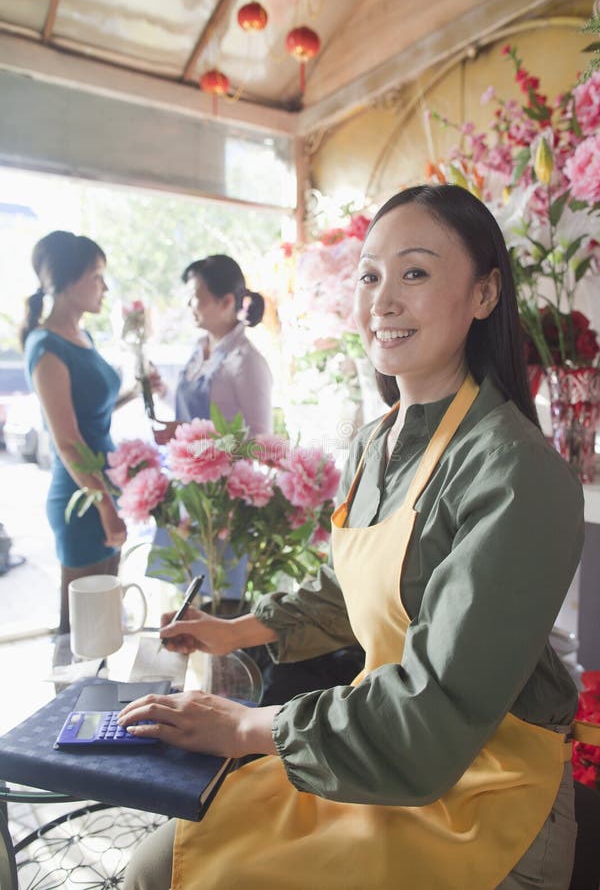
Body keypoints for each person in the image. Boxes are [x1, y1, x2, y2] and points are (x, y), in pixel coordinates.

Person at [121, 185, 587, 890]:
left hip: (483, 789)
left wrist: (249, 728)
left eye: (416, 273)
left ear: (486, 293)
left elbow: (437, 709)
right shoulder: (376, 442)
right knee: (164, 859)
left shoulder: (519, 474)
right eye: (370, 275)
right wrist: (233, 630)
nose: (383, 300)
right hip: (376, 746)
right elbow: (358, 587)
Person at [21, 231, 136, 634]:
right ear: (69, 281)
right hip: (81, 498)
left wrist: (136, 392)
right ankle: (70, 698)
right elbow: (68, 442)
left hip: (103, 490)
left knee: (106, 623)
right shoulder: (47, 347)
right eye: (97, 276)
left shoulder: (81, 337)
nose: (104, 287)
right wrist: (105, 506)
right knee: (82, 631)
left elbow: (88, 411)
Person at [154, 253, 273, 442]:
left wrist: (192, 434)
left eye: (194, 297)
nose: (188, 304)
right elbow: (191, 412)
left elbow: (260, 444)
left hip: (227, 472)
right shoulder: (200, 349)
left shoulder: (247, 362)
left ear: (226, 302)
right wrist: (163, 391)